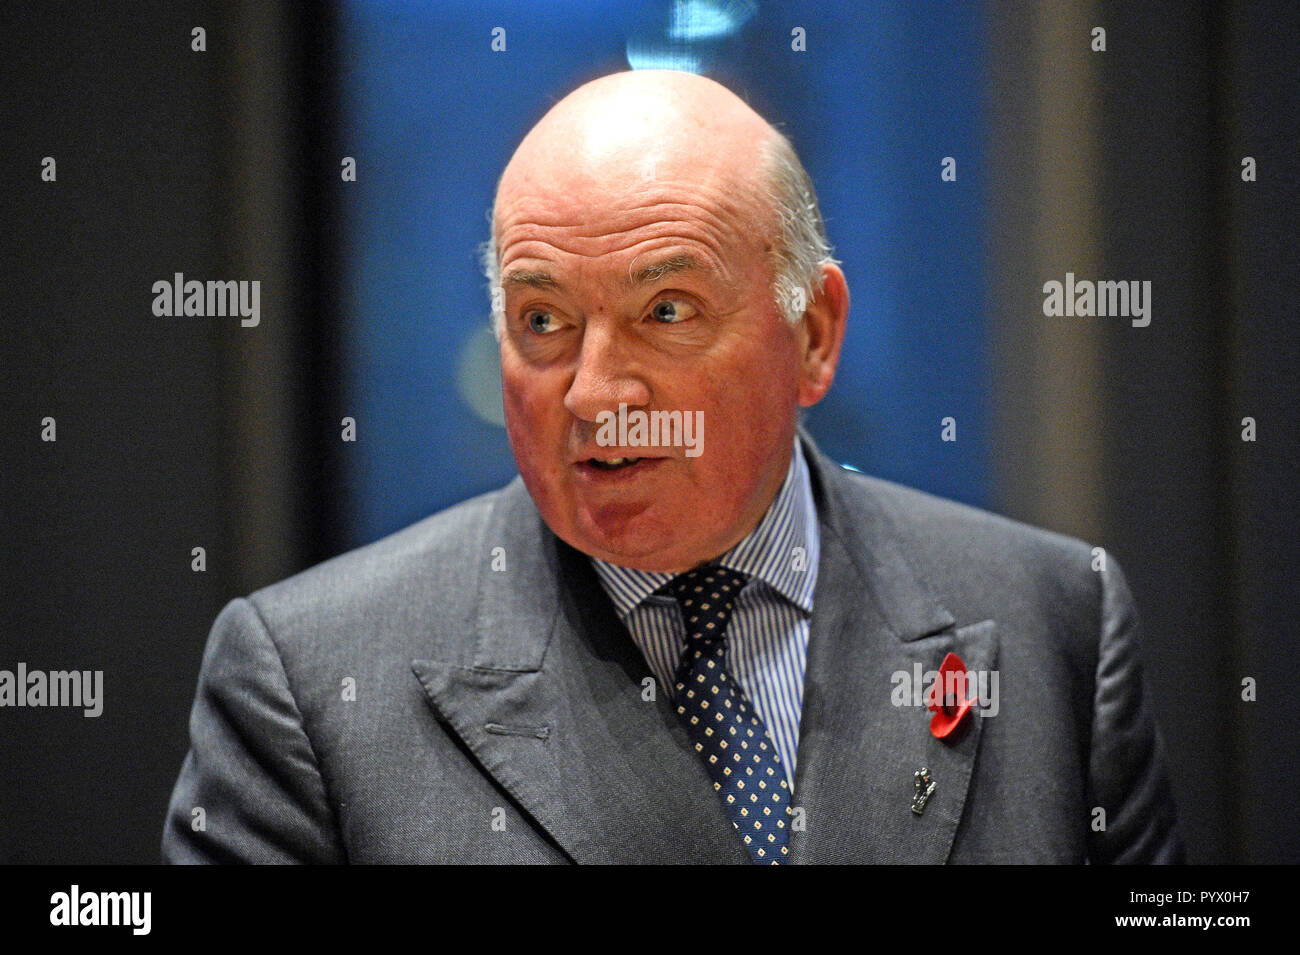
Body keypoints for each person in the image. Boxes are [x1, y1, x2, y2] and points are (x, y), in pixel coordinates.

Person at [162, 70, 1182, 864]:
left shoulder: (1055, 622)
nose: (594, 393)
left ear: (814, 334)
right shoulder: (307, 682)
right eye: (543, 321)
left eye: (665, 310)